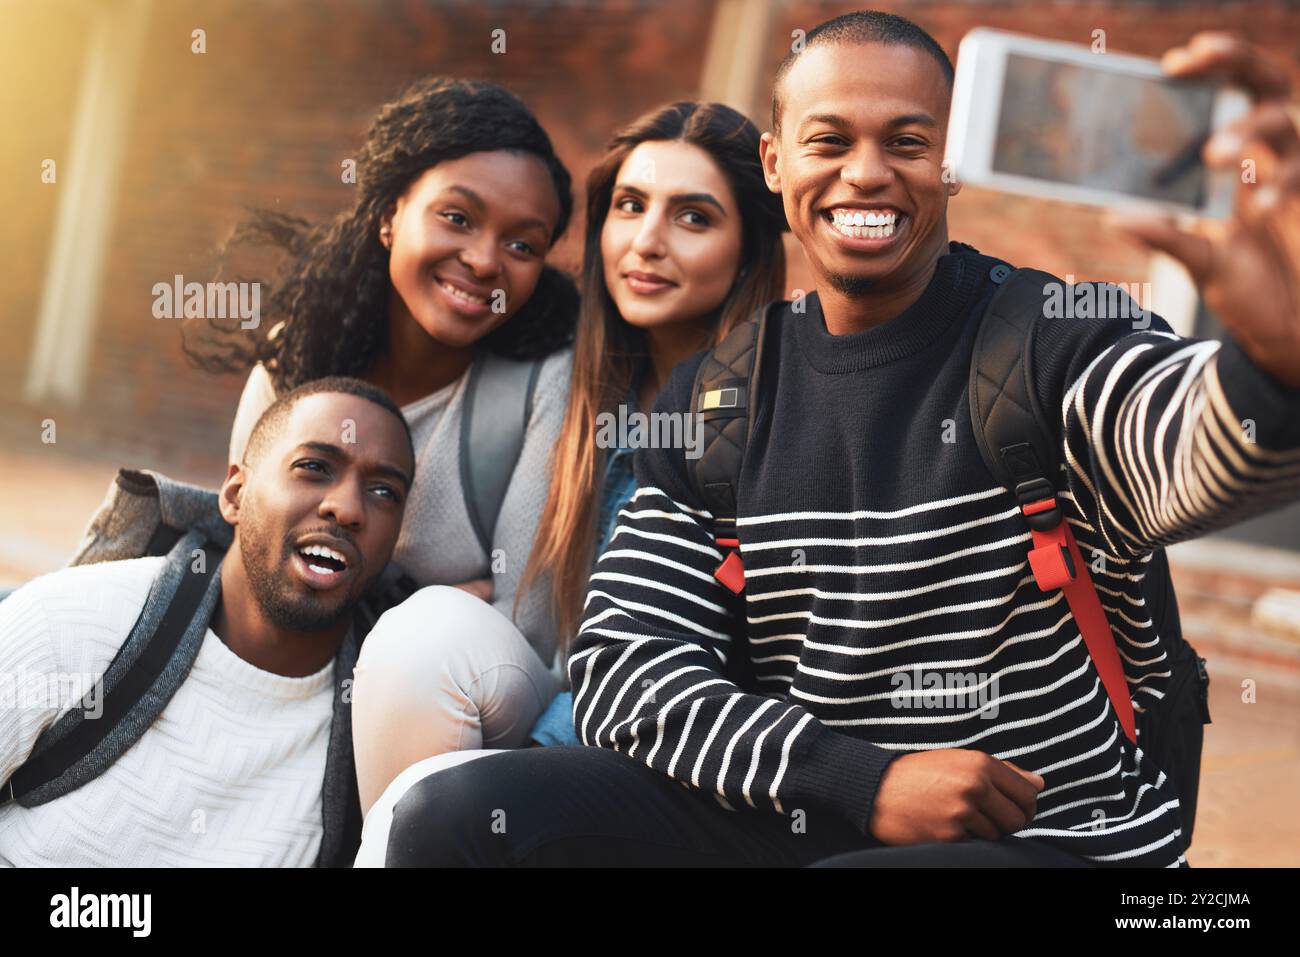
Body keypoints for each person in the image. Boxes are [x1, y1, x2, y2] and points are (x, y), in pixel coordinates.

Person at [376, 13, 1300, 867]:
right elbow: (626, 672)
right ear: (775, 164)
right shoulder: (719, 395)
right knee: (450, 819)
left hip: (1052, 833)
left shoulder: (1058, 334)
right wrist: (861, 780)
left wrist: (1275, 363)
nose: (866, 173)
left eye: (908, 141)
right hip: (815, 806)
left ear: (954, 164)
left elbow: (1193, 451)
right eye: (830, 141)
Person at [352, 100, 789, 863]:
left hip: (686, 760)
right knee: (425, 636)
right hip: (538, 706)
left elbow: (722, 674)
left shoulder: (779, 416)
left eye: (692, 218)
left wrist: (531, 759)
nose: (646, 242)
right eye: (629, 206)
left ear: (749, 251)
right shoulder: (571, 387)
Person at [190, 77, 581, 812]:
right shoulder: (300, 350)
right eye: (458, 217)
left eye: (522, 243)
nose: (485, 259)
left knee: (429, 641)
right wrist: (407, 594)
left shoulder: (541, 386)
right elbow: (254, 561)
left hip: (479, 712)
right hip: (300, 682)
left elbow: (522, 628)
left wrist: (396, 609)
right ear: (390, 214)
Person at [0, 378, 415, 866]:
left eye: (384, 491)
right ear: (235, 495)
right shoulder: (74, 622)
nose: (346, 508)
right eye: (314, 467)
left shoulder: (370, 752)